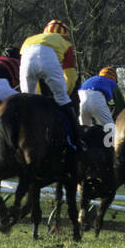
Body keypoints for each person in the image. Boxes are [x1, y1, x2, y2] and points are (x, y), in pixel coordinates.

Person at [20, 20, 83, 150]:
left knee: (27, 100)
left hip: (26, 58)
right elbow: (70, 74)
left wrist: (37, 94)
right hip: (47, 60)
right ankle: (77, 141)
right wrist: (65, 93)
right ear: (64, 35)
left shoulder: (30, 39)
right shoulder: (65, 43)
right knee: (63, 99)